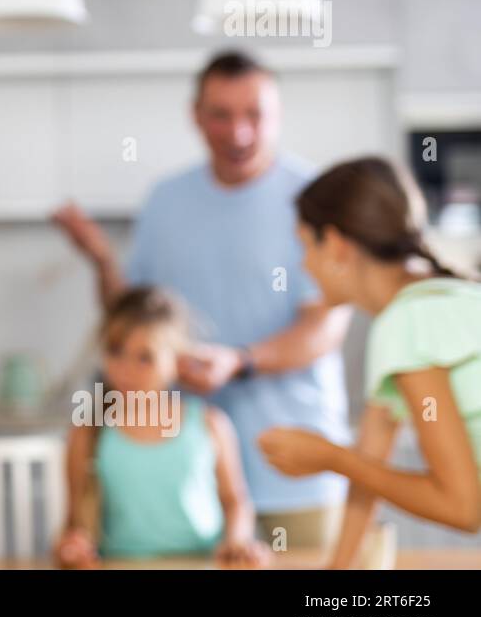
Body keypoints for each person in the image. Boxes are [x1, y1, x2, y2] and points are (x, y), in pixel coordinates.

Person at [52, 50, 353, 552]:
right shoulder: (166, 201)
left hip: (295, 466)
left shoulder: (314, 200)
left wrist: (240, 361)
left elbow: (326, 325)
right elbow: (131, 315)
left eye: (254, 114)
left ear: (277, 116)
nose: (238, 132)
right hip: (188, 476)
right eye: (221, 114)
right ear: (196, 115)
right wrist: (103, 260)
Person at [260, 157, 481, 567]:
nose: (303, 264)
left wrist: (330, 457)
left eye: (307, 245)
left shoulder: (406, 322)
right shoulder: (444, 300)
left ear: (338, 245)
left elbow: (463, 508)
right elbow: (371, 458)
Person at [57, 286, 269, 568]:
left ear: (177, 362)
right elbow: (74, 523)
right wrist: (72, 548)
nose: (126, 369)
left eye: (145, 357)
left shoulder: (210, 424)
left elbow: (236, 502)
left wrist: (237, 542)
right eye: (115, 351)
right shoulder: (87, 433)